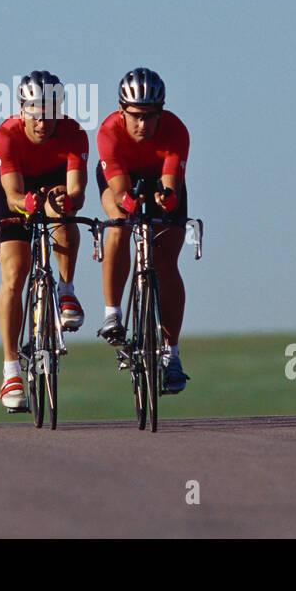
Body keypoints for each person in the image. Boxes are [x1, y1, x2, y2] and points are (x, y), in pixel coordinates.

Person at [0, 70, 89, 412]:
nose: (42, 121)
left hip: (54, 184)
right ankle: (11, 370)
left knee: (65, 211)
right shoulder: (6, 135)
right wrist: (32, 205)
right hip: (16, 192)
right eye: (34, 111)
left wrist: (63, 201)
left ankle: (65, 290)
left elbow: (78, 191)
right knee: (15, 274)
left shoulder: (74, 133)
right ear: (22, 109)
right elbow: (14, 195)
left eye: (49, 112)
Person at [94, 68, 193, 394]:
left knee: (166, 262)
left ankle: (172, 353)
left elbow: (170, 186)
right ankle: (113, 313)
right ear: (122, 111)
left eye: (151, 116)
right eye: (135, 115)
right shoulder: (109, 132)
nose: (143, 124)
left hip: (160, 180)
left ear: (160, 112)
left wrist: (165, 200)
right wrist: (131, 203)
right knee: (120, 224)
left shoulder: (176, 131)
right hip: (121, 179)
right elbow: (121, 192)